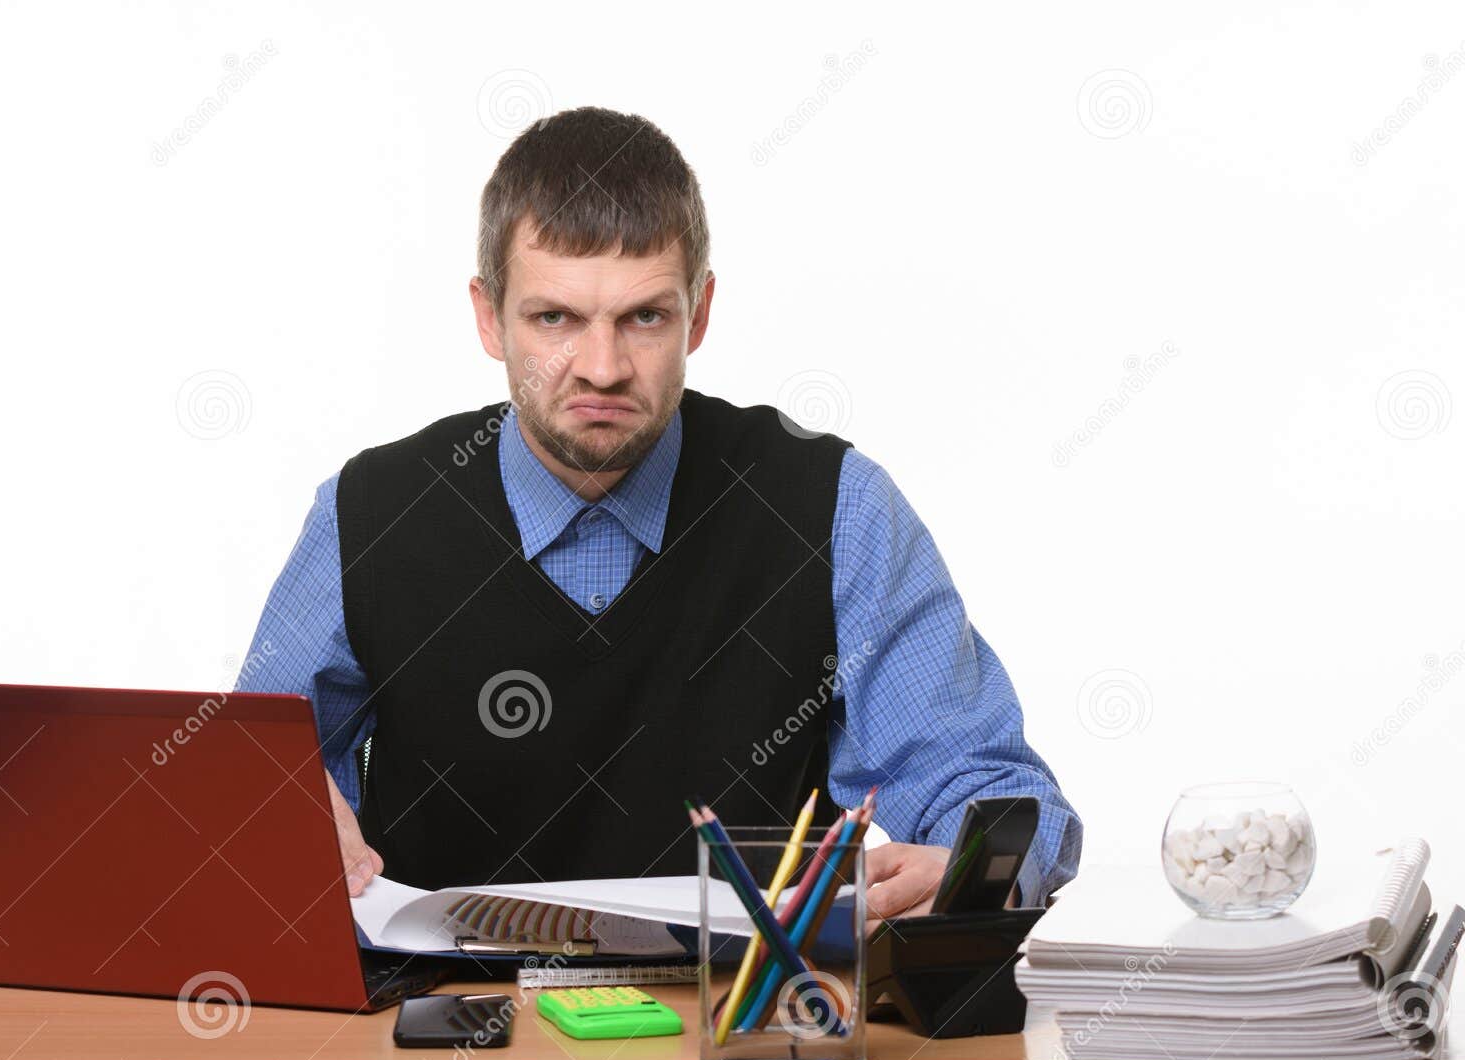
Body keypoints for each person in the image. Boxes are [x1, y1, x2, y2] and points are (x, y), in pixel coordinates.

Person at [237, 106, 1081, 925]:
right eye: (555, 318)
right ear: (489, 318)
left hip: (744, 1036)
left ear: (700, 312)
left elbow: (990, 789)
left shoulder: (834, 508)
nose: (601, 368)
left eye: (644, 316)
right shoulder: (370, 512)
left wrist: (976, 875)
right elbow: (247, 778)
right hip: (445, 1036)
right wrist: (277, 819)